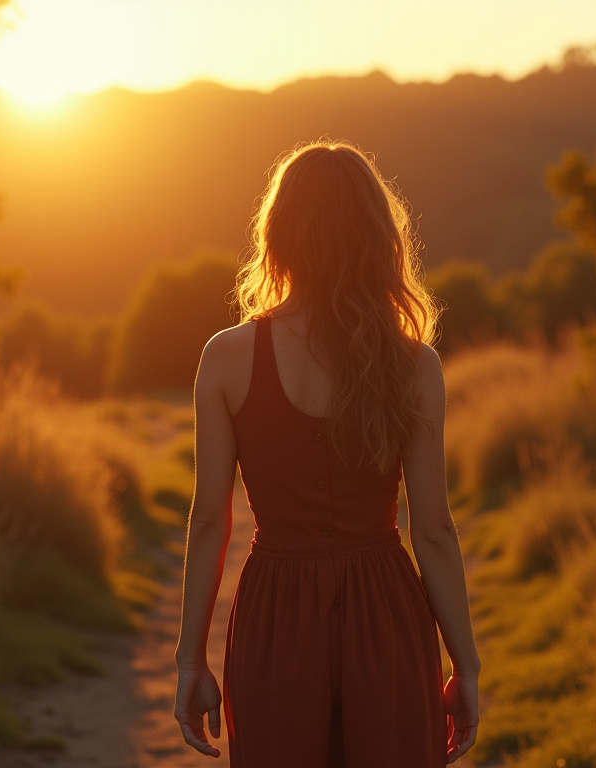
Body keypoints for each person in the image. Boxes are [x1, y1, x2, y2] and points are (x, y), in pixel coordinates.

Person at [172, 140, 482, 767]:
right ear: (377, 238)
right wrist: (465, 665)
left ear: (278, 235)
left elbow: (209, 522)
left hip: (275, 619)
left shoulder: (226, 357)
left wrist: (189, 660)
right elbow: (434, 531)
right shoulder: (415, 364)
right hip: (387, 616)